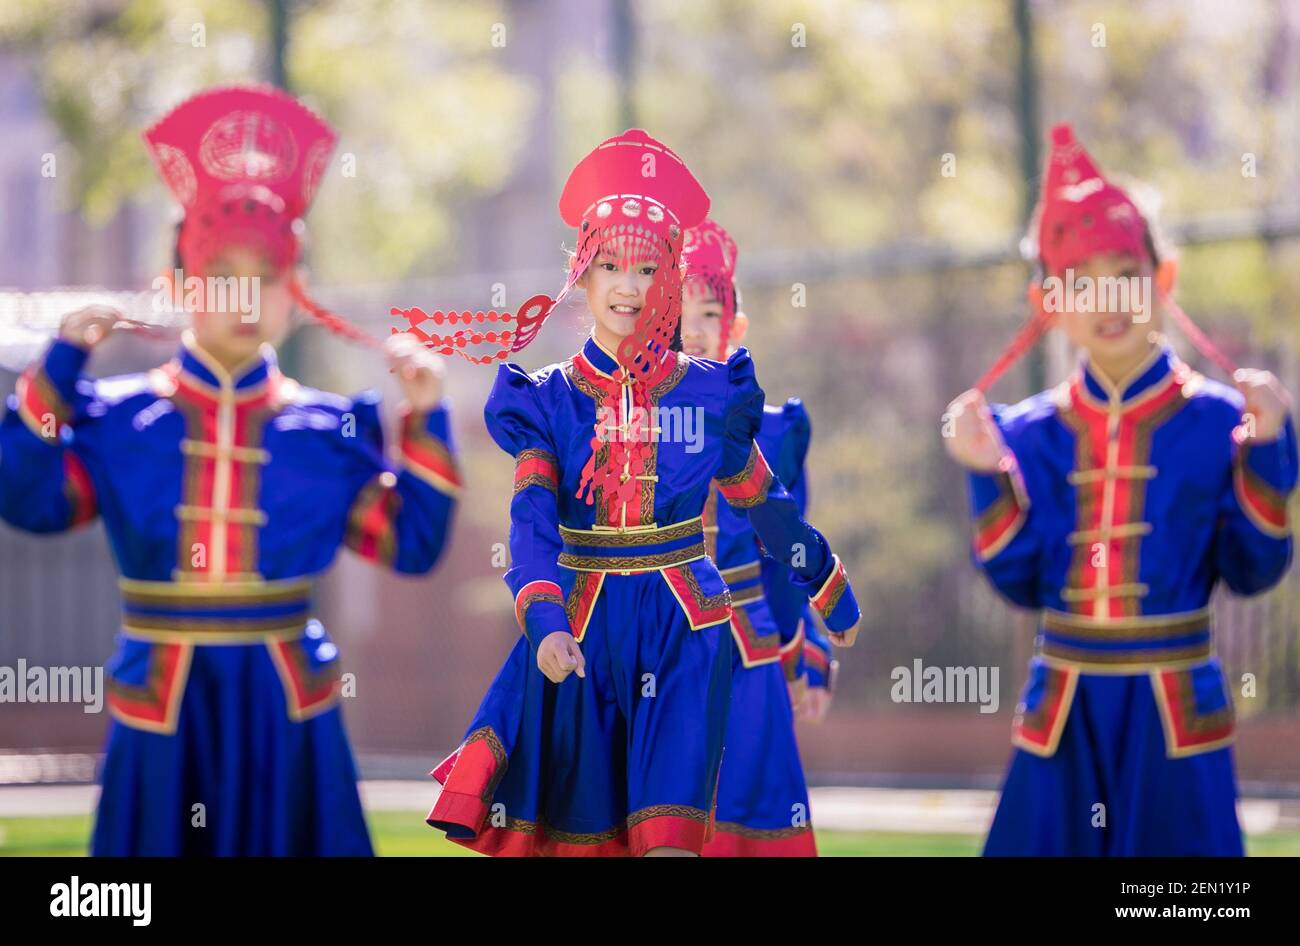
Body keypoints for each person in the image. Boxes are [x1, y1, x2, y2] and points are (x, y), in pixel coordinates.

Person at [0, 85, 459, 855]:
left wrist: (425, 416)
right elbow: (28, 499)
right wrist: (59, 367)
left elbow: (411, 545)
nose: (247, 295)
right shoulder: (119, 421)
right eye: (222, 273)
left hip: (287, 706)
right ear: (179, 285)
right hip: (161, 706)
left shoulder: (329, 431)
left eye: (268, 274)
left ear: (295, 291)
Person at [422, 129, 860, 857]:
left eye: (649, 269)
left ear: (671, 283)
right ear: (581, 277)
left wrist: (825, 580)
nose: (629, 286)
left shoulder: (710, 394)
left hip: (687, 628)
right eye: (611, 266)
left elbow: (763, 500)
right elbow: (531, 521)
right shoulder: (548, 400)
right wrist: (544, 619)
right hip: (582, 628)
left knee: (671, 843)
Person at [943, 123, 1296, 856]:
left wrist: (1267, 451)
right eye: (1079, 280)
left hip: (1175, 714)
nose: (1106, 298)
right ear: (1047, 302)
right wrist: (986, 473)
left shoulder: (1222, 422)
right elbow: (1019, 584)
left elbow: (1253, 570)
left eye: (1125, 273)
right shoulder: (1027, 434)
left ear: (1164, 281)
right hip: (1063, 712)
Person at [678, 219, 824, 856]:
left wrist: (805, 651)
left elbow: (793, 552)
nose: (692, 329)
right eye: (676, 311)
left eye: (709, 313)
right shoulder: (626, 420)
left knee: (749, 820)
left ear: (736, 327)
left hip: (752, 651)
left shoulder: (777, 430)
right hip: (657, 647)